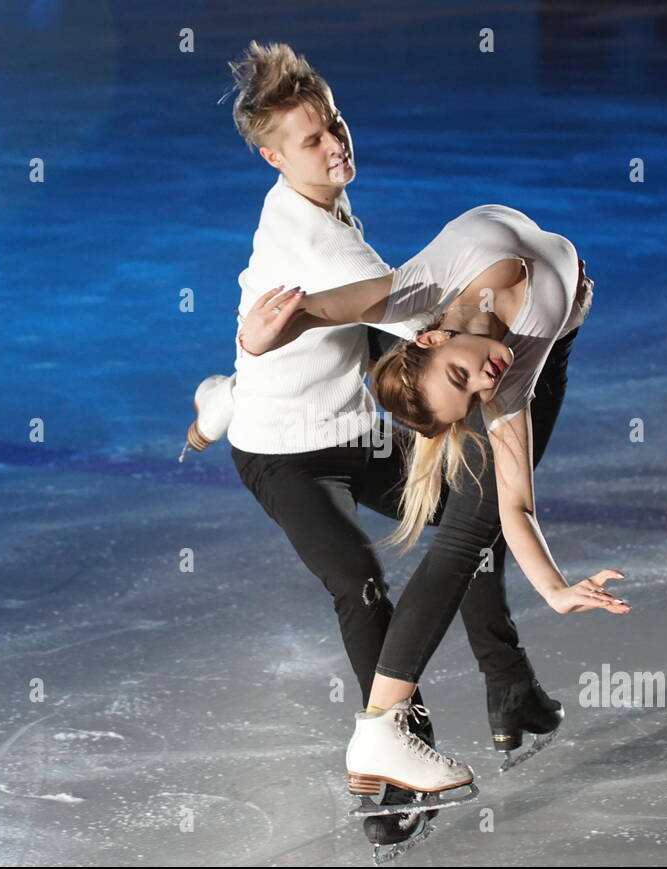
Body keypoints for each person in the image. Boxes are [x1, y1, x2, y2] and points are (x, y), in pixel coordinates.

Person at [186, 44, 567, 831]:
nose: (335, 146)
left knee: (468, 515)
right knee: (361, 581)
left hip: (352, 431)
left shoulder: (314, 201)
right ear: (271, 157)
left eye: (335, 125)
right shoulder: (321, 241)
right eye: (311, 141)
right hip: (284, 453)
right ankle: (393, 771)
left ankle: (509, 685)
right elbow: (421, 316)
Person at [236, 204, 629, 797]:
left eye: (459, 377)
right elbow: (515, 506)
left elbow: (321, 307)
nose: (484, 384)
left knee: (469, 521)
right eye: (471, 397)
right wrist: (556, 589)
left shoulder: (418, 295)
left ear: (432, 338)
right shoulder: (511, 379)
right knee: (470, 525)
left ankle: (509, 687)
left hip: (527, 329)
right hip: (547, 349)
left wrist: (257, 337)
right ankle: (383, 730)